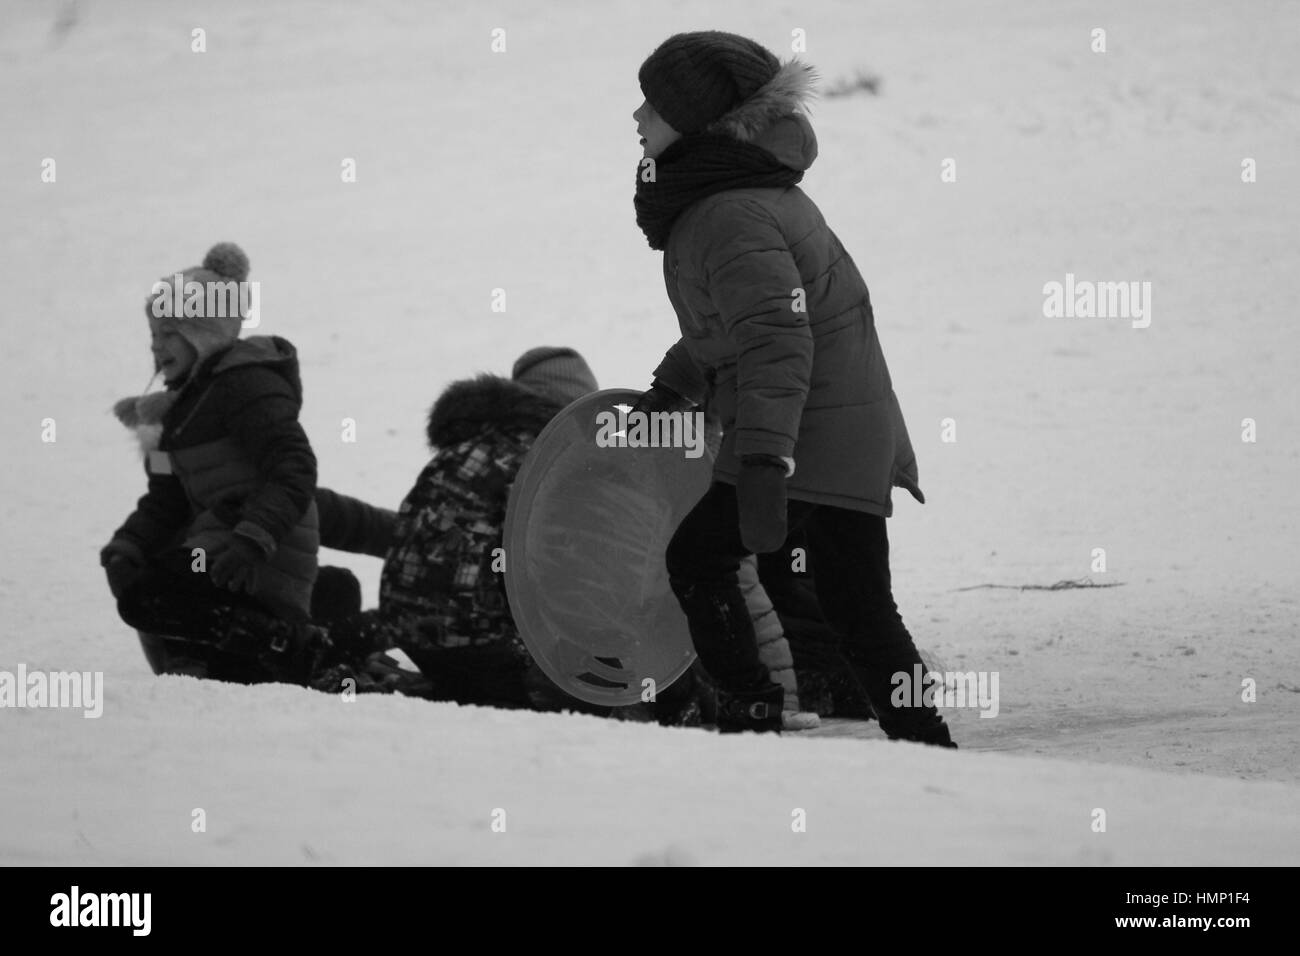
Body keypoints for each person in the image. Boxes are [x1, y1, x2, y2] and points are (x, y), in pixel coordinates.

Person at [630, 32, 955, 744]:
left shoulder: (729, 213)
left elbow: (778, 341)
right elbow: (740, 323)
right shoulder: (733, 199)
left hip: (809, 430)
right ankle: (927, 744)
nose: (637, 118)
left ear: (697, 124)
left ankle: (751, 720)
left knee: (699, 560)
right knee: (858, 605)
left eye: (654, 105)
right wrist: (676, 382)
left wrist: (765, 462)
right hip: (831, 423)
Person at [100, 243, 327, 684]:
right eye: (152, 334)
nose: (156, 347)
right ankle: (215, 659)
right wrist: (127, 545)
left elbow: (294, 466)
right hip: (218, 549)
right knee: (142, 583)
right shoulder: (180, 412)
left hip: (258, 549)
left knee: (153, 594)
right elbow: (166, 500)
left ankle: (290, 642)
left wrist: (253, 538)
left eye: (169, 333)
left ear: (202, 334)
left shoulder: (244, 384)